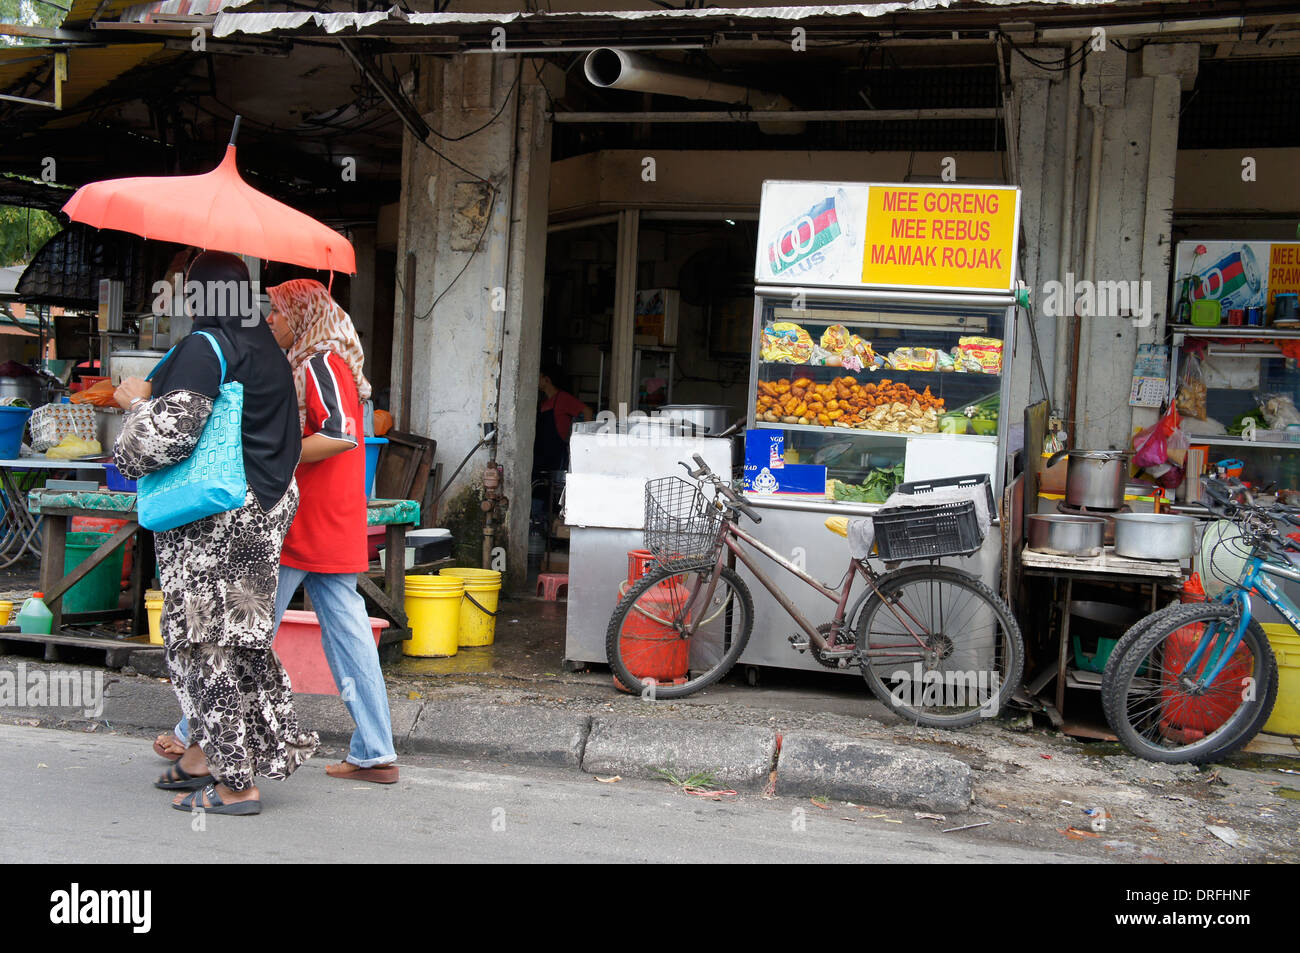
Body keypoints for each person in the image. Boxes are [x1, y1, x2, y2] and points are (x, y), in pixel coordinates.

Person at [115, 251, 316, 816]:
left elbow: (170, 439)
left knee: (202, 644)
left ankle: (235, 783)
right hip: (265, 509)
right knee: (239, 641)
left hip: (215, 524)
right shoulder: (265, 348)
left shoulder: (205, 349)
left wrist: (134, 406)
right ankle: (208, 754)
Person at [265, 277, 399, 783]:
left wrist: (276, 453)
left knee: (245, 626)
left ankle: (194, 736)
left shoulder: (320, 362)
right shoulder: (326, 361)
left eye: (278, 311)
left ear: (301, 316)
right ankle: (375, 751)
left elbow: (339, 435)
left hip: (307, 518)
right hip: (332, 516)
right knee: (349, 637)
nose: (271, 320)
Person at [533, 365, 592, 475]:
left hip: (556, 455)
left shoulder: (562, 398)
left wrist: (583, 440)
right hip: (540, 454)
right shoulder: (543, 402)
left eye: (539, 376)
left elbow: (587, 411)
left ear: (547, 379)